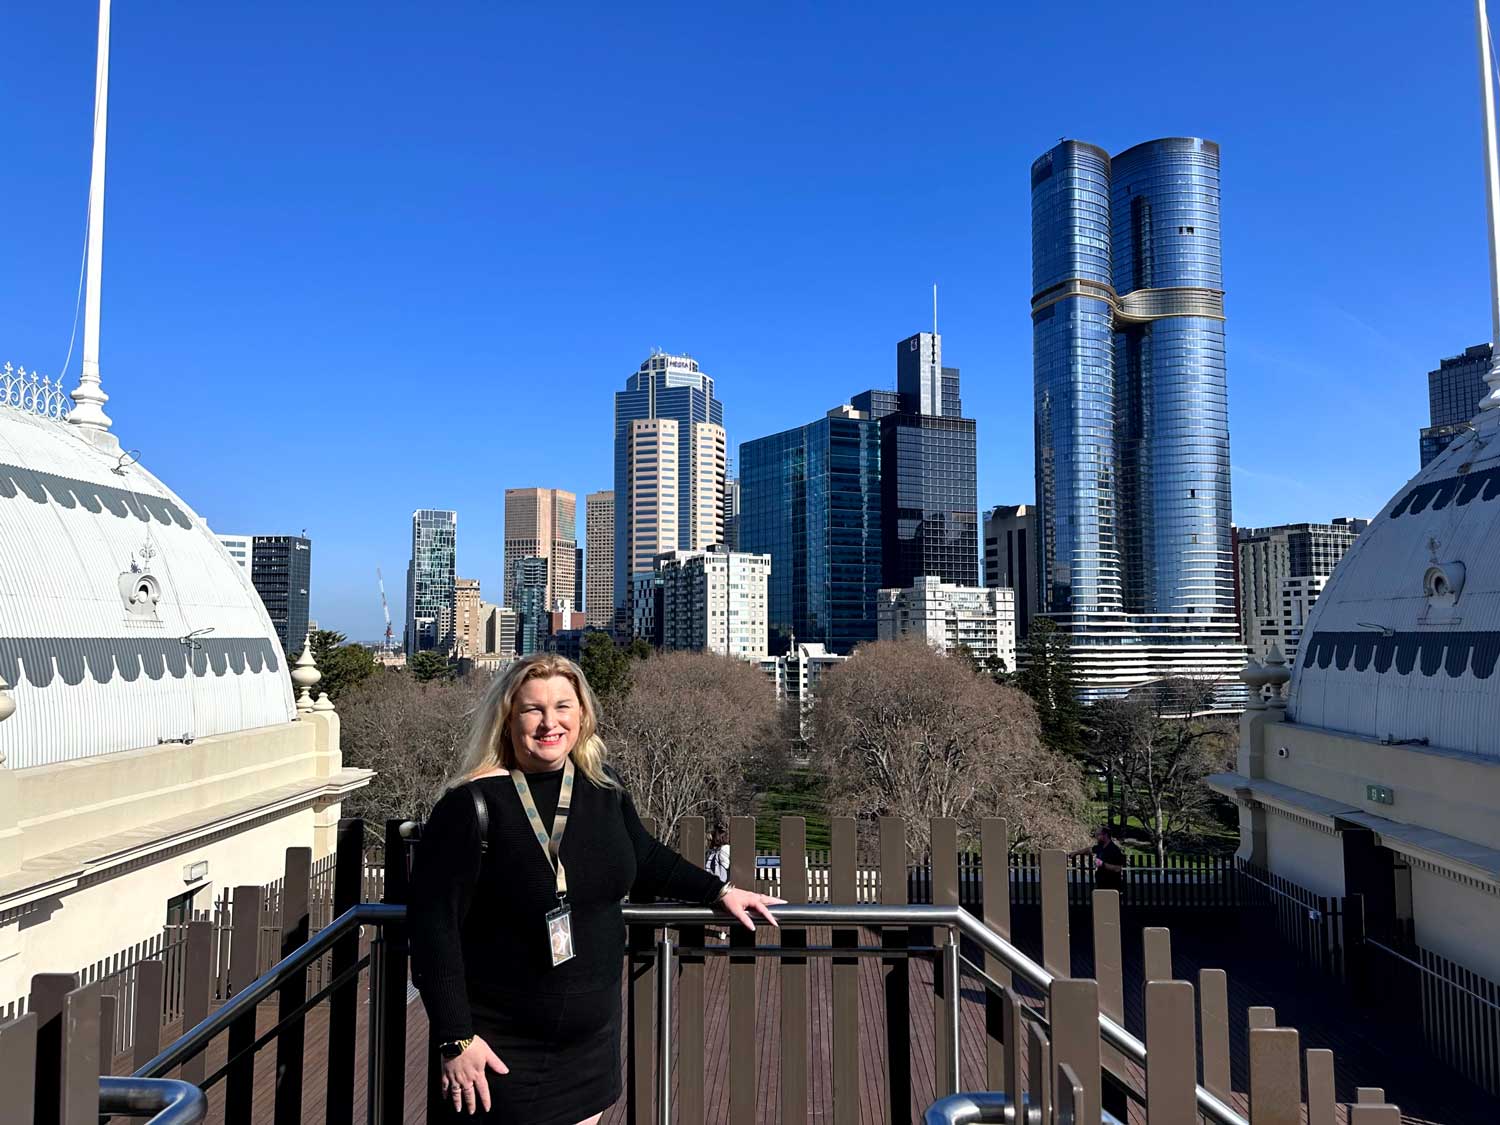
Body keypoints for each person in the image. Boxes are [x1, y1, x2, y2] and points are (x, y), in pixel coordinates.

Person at [409, 652, 783, 1123]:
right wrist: (455, 1038)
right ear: (507, 718)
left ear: (582, 714)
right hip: (500, 1051)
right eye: (533, 710)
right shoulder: (472, 805)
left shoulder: (602, 788)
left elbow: (644, 858)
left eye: (563, 706)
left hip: (590, 1049)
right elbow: (432, 929)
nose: (550, 723)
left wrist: (719, 891)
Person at [1073, 825, 1127, 893]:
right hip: (1101, 884)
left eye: (1098, 835)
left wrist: (1102, 864)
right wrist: (1076, 853)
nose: (1096, 837)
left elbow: (1118, 868)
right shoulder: (1100, 847)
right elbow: (1089, 850)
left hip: (1112, 886)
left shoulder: (1114, 850)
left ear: (1105, 835)